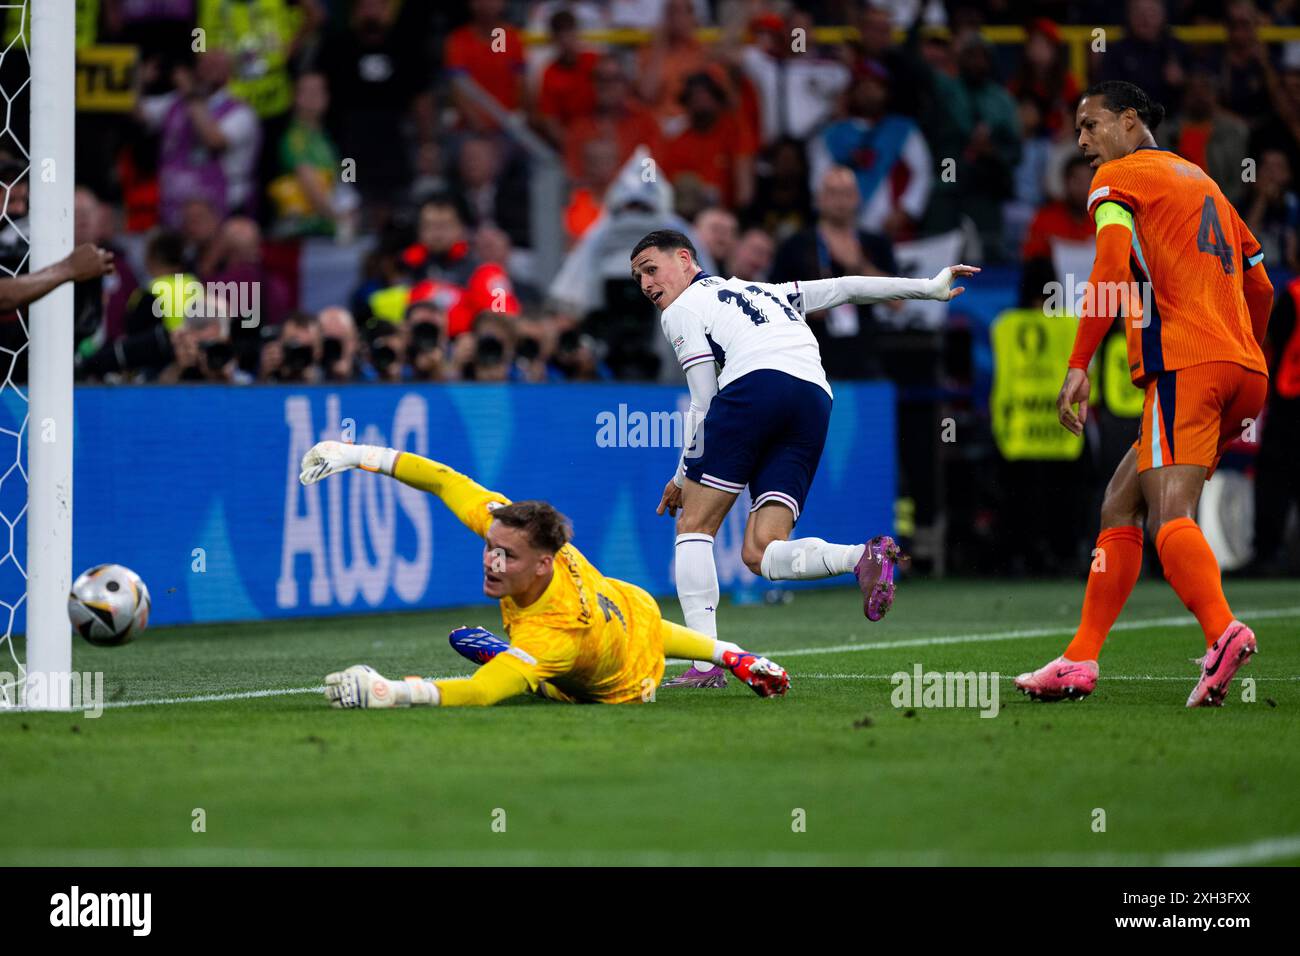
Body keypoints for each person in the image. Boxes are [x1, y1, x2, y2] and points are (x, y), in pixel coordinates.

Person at [1016, 81, 1273, 708]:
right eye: (1077, 132)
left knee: (1169, 516)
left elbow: (1106, 270)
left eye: (1091, 126)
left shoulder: (1119, 183)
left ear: (1130, 123)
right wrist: (1248, 359)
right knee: (1118, 505)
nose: (1082, 143)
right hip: (1242, 371)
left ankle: (1222, 631)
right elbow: (1262, 285)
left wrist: (1078, 364)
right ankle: (1079, 658)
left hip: (1186, 368)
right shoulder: (1203, 183)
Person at [630, 229, 976, 686]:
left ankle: (704, 664)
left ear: (685, 259)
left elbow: (702, 400)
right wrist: (927, 289)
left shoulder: (682, 309)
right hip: (813, 397)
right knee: (760, 552)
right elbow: (845, 287)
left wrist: (681, 476)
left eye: (651, 269)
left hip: (755, 386)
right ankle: (859, 557)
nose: (646, 284)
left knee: (693, 527)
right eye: (637, 277)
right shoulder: (769, 291)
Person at [298, 441, 790, 708]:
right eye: (491, 547)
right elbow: (445, 482)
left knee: (545, 684)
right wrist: (352, 454)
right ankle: (509, 656)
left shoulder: (551, 636)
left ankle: (512, 661)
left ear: (542, 563)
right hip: (622, 601)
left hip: (621, 683)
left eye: (506, 556)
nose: (492, 560)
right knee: (630, 608)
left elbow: (481, 693)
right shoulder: (521, 532)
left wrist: (389, 692)